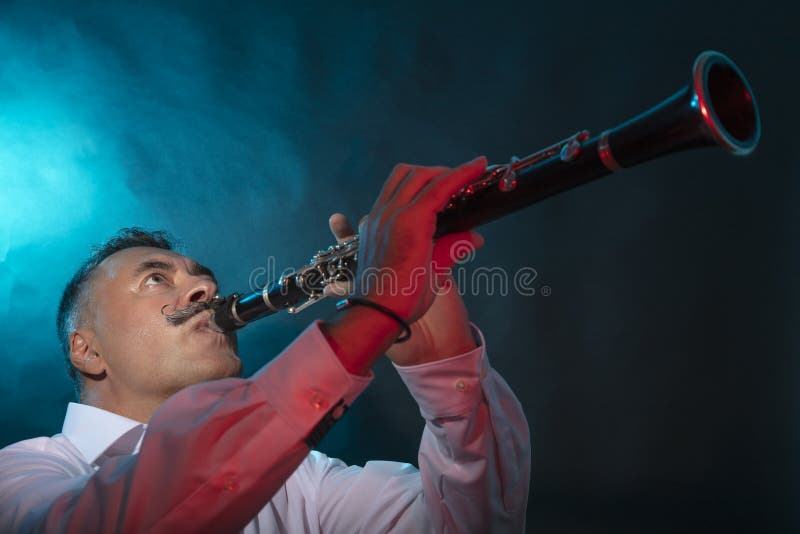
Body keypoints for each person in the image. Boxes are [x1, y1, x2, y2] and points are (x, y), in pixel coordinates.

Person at [0, 157, 531, 533]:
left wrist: (437, 356)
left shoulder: (305, 480)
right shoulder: (22, 476)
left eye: (202, 278)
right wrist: (375, 313)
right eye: (154, 279)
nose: (207, 289)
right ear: (86, 351)